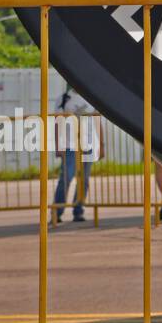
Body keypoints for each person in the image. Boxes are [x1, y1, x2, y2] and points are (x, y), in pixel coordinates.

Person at [49, 85, 103, 226]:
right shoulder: (64, 99)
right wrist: (57, 145)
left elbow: (97, 121)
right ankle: (57, 212)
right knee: (66, 177)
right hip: (70, 144)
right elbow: (58, 122)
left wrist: (101, 145)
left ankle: (78, 210)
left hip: (89, 144)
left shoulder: (91, 96)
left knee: (83, 179)